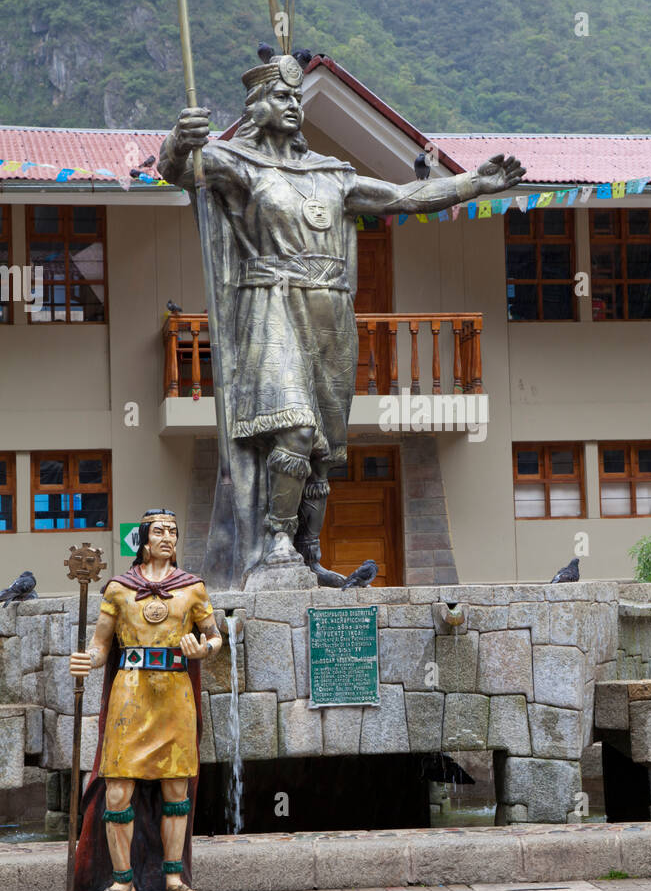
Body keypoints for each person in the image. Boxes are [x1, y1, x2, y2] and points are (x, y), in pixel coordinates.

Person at [158, 51, 526, 589]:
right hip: (273, 301)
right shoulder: (240, 165)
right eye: (280, 97)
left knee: (323, 451)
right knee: (294, 427)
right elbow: (180, 172)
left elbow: (406, 196)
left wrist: (475, 183)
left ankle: (307, 552)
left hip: (331, 312)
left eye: (295, 98)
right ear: (257, 107)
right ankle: (277, 542)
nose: (291, 106)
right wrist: (179, 140)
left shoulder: (332, 174)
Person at [69, 510, 222, 891]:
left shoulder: (193, 588)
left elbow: (215, 638)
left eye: (173, 531)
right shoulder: (119, 589)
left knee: (176, 788)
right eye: (159, 531)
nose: (168, 537)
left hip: (174, 694)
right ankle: (123, 882)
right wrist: (88, 658)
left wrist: (203, 649)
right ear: (144, 539)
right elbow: (102, 645)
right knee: (118, 789)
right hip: (130, 695)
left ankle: (173, 877)